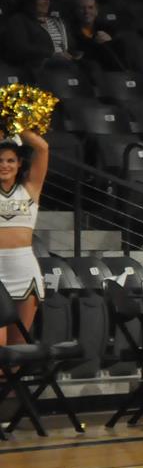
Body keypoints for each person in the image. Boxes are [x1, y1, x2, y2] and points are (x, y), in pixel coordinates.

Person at [0, 131, 47, 345]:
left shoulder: (30, 189)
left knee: (19, 349)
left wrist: (14, 122)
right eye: (0, 161)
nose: (5, 165)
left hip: (24, 272)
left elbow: (42, 148)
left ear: (19, 163)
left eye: (10, 160)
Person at [1, 0, 73, 78]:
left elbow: (70, 45)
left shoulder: (56, 22)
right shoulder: (18, 20)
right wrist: (51, 54)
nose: (47, 2)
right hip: (38, 69)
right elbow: (22, 48)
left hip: (64, 65)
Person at [68, 0, 125, 71]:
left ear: (96, 11)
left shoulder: (107, 29)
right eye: (82, 8)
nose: (86, 11)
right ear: (76, 11)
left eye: (90, 7)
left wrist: (110, 40)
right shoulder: (70, 30)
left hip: (108, 69)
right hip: (83, 70)